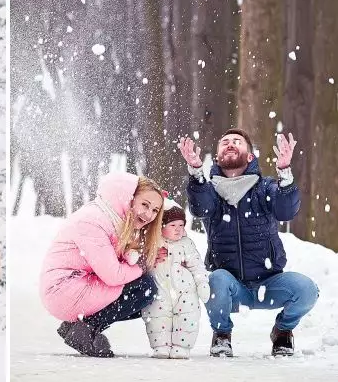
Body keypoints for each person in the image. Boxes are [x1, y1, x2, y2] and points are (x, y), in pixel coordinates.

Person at [178, 128, 319, 357]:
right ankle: (222, 334)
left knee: (307, 289)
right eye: (225, 142)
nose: (230, 144)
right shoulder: (211, 190)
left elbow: (285, 211)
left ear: (250, 156)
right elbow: (200, 207)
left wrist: (284, 172)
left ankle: (283, 332)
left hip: (269, 283)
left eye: (237, 142)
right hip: (232, 288)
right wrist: (196, 172)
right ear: (218, 156)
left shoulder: (265, 188)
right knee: (215, 280)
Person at [39, 172, 167, 358]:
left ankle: (82, 328)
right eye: (144, 205)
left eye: (155, 210)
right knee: (144, 289)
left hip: (78, 283)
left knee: (147, 297)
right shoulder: (94, 220)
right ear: (128, 199)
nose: (149, 215)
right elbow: (113, 275)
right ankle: (85, 328)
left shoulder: (115, 219)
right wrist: (141, 266)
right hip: (62, 288)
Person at [141, 202, 210, 359]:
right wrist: (149, 258)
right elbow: (141, 263)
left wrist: (202, 283)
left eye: (181, 225)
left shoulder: (186, 244)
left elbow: (197, 265)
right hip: (159, 291)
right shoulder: (152, 242)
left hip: (185, 292)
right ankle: (161, 346)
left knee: (187, 317)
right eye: (172, 225)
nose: (178, 229)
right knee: (157, 317)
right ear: (160, 226)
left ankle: (181, 347)